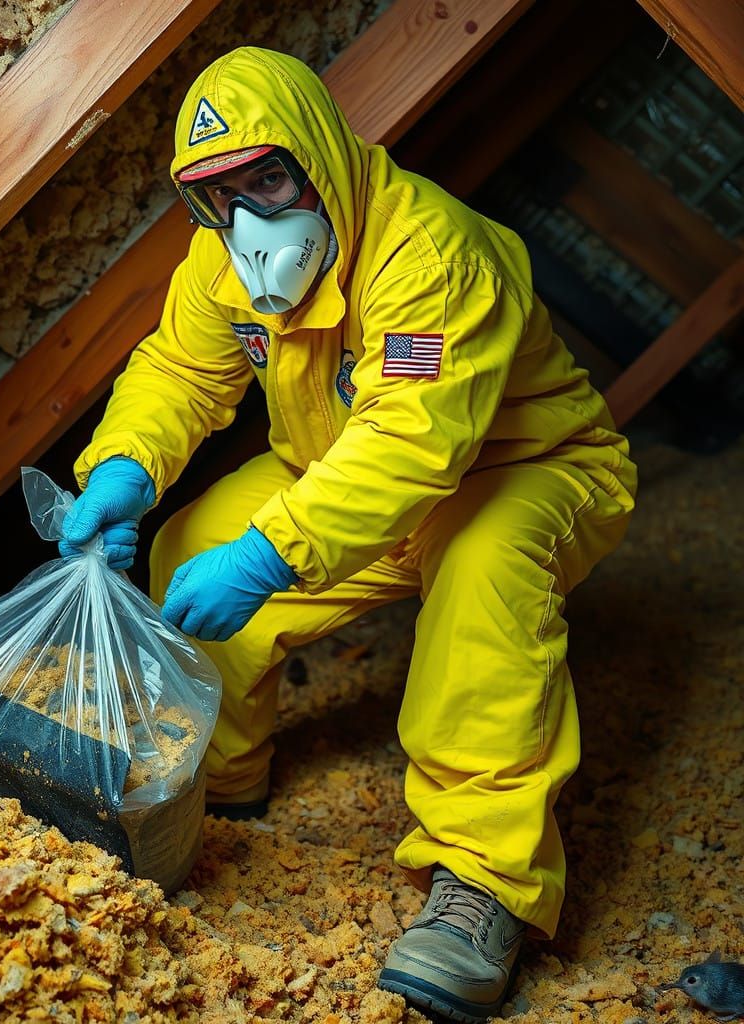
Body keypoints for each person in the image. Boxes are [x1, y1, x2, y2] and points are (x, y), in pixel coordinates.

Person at [57, 46, 637, 1022]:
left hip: (519, 469)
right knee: (191, 539)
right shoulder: (222, 258)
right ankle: (217, 780)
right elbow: (180, 374)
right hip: (330, 470)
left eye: (268, 181)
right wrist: (121, 467)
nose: (248, 222)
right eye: (216, 197)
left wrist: (272, 555)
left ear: (319, 156)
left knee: (484, 576)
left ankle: (483, 883)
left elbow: (413, 442)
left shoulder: (431, 253)